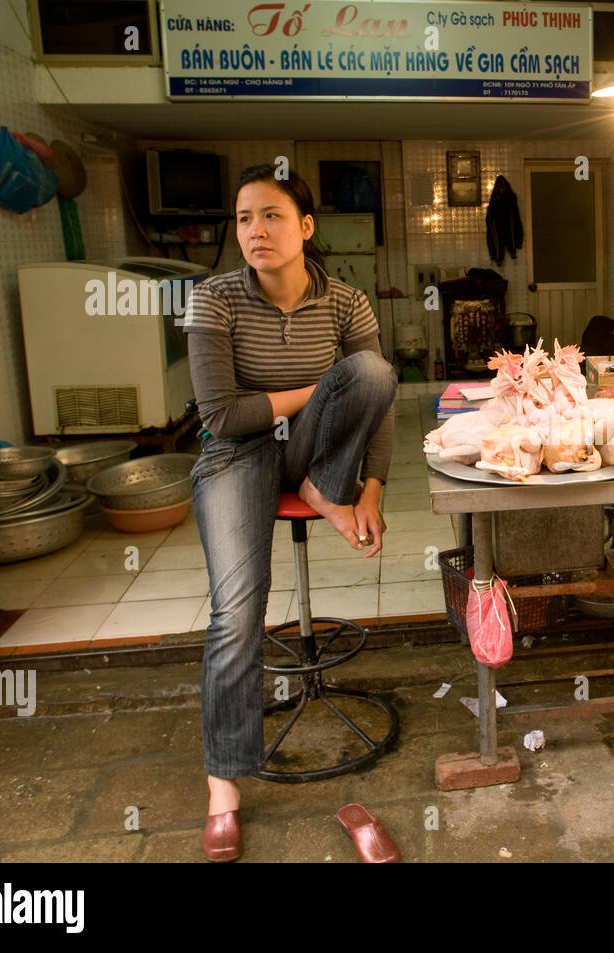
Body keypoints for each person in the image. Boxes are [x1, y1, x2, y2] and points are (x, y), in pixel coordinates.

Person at [183, 163, 396, 862]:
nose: (255, 231)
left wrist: (371, 488)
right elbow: (223, 413)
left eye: (271, 216)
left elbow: (376, 400)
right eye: (244, 218)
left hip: (307, 457)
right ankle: (223, 790)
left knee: (373, 372)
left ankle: (324, 492)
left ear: (305, 227)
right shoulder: (212, 300)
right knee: (236, 610)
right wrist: (316, 389)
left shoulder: (345, 302)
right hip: (235, 456)